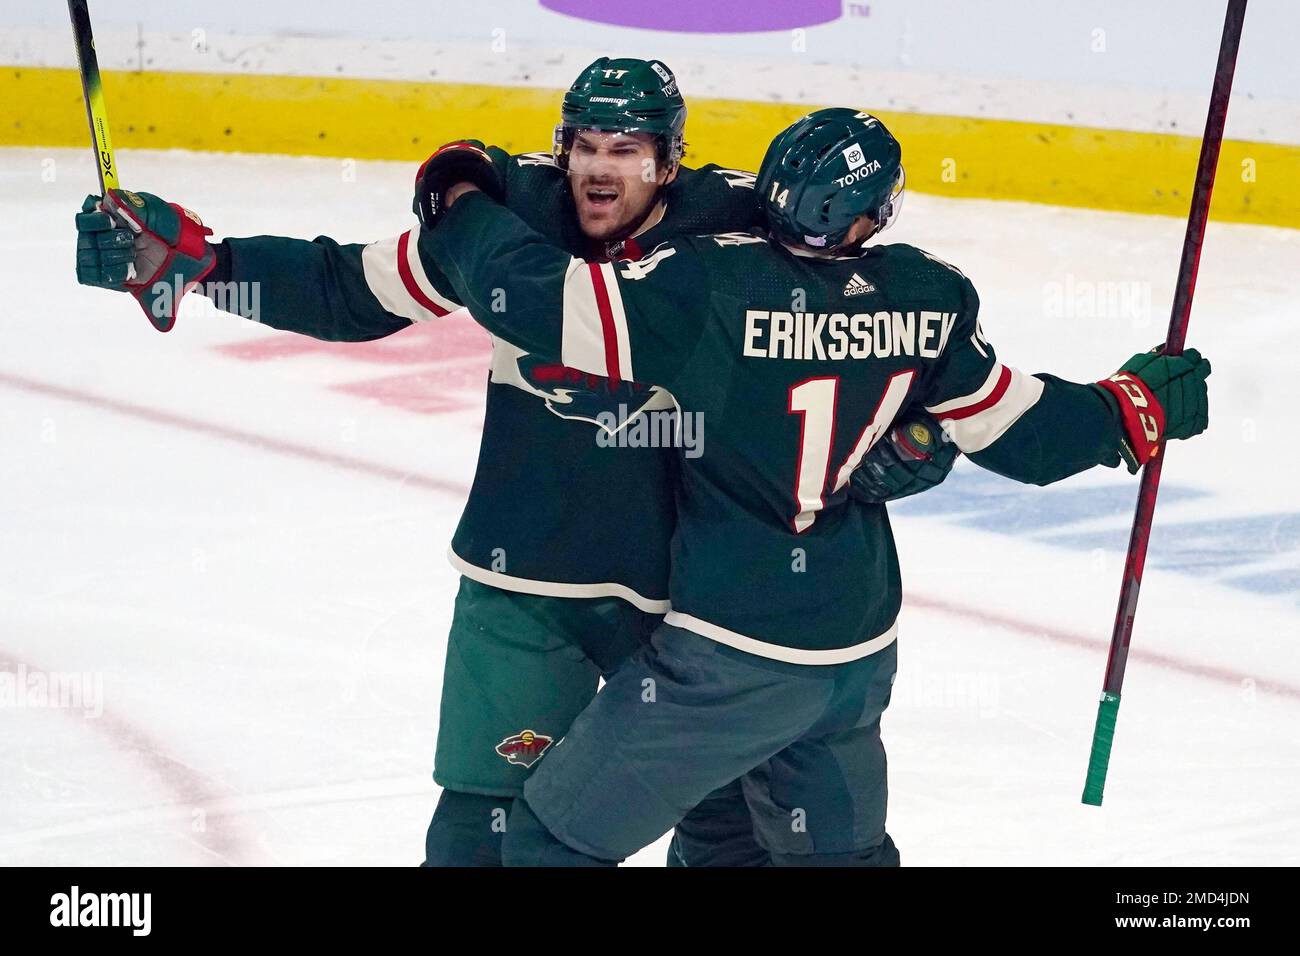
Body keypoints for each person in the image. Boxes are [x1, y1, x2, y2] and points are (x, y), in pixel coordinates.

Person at [73, 63, 956, 865]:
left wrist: (921, 430)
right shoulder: (515, 215)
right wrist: (205, 266)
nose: (600, 170)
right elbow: (355, 288)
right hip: (528, 576)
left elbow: (849, 318)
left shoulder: (731, 225)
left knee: (729, 840)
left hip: (694, 602)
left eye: (628, 149)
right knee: (482, 835)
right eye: (584, 146)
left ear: (671, 160)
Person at [417, 107, 1212, 865]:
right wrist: (1131, 406)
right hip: (855, 659)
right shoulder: (927, 297)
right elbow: (1030, 436)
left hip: (729, 654)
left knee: (550, 842)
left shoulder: (707, 286)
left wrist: (462, 201)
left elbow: (528, 296)